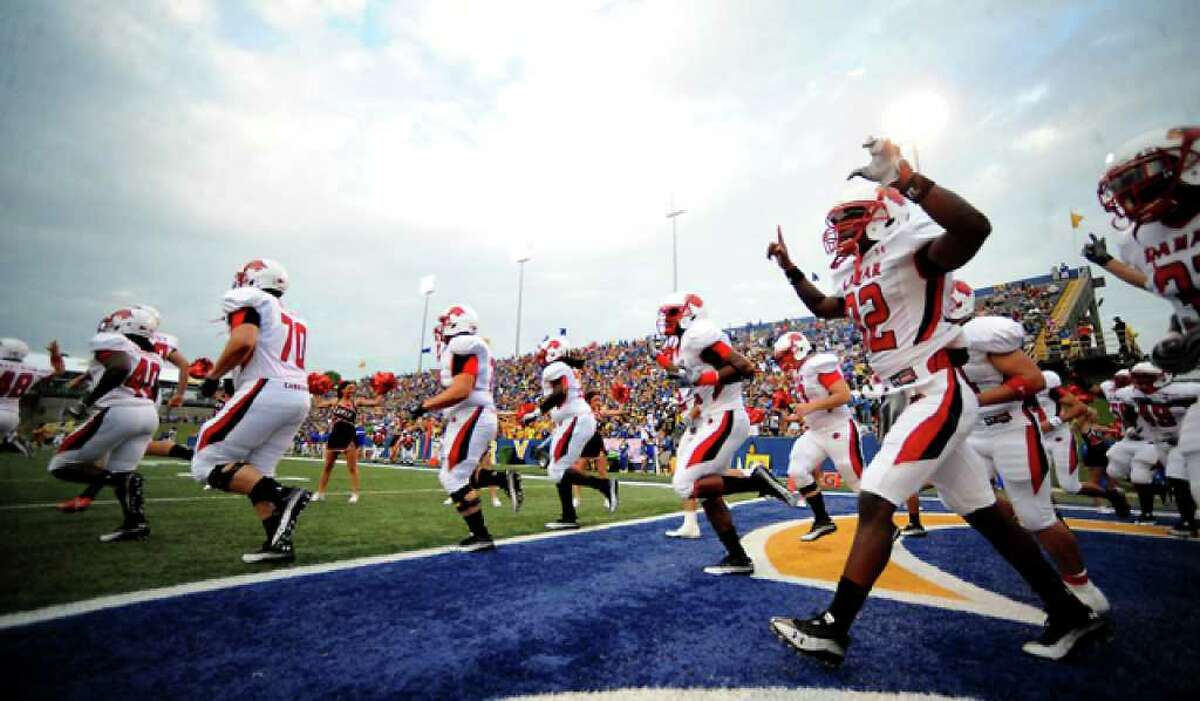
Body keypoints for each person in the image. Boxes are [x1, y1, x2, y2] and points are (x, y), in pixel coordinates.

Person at [768, 137, 1101, 665]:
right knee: (988, 516)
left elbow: (973, 229)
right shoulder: (861, 273)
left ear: (881, 219)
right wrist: (789, 270)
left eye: (854, 218)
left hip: (936, 390)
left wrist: (906, 179)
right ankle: (1069, 611)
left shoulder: (914, 253)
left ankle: (834, 628)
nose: (842, 232)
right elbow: (829, 306)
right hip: (916, 393)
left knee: (876, 500)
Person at [950, 283, 1109, 614]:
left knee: (1038, 517)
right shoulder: (928, 344)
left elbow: (1032, 380)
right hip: (971, 434)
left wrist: (971, 400)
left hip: (1010, 430)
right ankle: (1027, 535)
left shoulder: (981, 333)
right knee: (972, 501)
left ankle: (1082, 586)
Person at [1084, 125, 1200, 521]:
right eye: (1123, 185)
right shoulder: (1141, 237)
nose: (1130, 194)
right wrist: (1107, 264)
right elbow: (1161, 285)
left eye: (1141, 179)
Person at [656, 292, 796, 575]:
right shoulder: (689, 340)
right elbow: (692, 375)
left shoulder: (699, 335)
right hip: (714, 414)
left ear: (689, 312)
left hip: (724, 415)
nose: (665, 319)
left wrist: (704, 377)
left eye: (671, 313)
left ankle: (756, 480)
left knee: (684, 484)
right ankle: (737, 557)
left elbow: (745, 368)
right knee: (709, 492)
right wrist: (664, 362)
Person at [190, 259, 314, 564]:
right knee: (258, 473)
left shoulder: (251, 300)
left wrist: (213, 376)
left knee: (206, 460)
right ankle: (278, 540)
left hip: (267, 389)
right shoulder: (293, 316)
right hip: (298, 395)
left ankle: (284, 495)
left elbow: (243, 341)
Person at [410, 305, 522, 552]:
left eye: (446, 322)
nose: (441, 328)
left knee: (452, 477)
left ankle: (482, 535)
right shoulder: (463, 346)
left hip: (473, 414)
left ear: (456, 323)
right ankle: (501, 480)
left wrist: (424, 406)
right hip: (469, 414)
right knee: (456, 475)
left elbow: (462, 389)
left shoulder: (464, 346)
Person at [50, 307, 162, 542]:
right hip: (147, 412)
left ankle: (122, 482)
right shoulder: (152, 354)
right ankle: (135, 522)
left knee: (61, 464)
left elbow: (119, 367)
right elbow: (154, 388)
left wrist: (84, 403)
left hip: (119, 411)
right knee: (121, 470)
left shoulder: (114, 342)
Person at [773, 331, 865, 542]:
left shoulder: (818, 364)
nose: (783, 363)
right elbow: (813, 405)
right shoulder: (800, 372)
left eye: (785, 356)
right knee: (797, 471)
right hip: (816, 431)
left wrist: (809, 407)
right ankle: (823, 520)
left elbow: (843, 395)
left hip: (838, 428)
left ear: (797, 350)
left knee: (857, 480)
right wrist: (799, 415)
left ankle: (884, 525)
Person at [522, 337, 618, 529]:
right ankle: (569, 515)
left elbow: (561, 392)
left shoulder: (556, 368)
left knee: (556, 469)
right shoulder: (564, 367)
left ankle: (604, 487)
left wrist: (536, 413)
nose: (541, 356)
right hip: (572, 420)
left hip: (575, 420)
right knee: (558, 466)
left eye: (544, 351)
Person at [1109, 363, 1199, 533]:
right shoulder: (1130, 393)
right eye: (1139, 378)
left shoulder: (1183, 391)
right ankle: (1188, 520)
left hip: (1187, 440)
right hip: (1162, 442)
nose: (1143, 383)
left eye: (1148, 378)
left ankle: (1188, 522)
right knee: (1180, 480)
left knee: (1178, 477)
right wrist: (1130, 427)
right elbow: (1128, 410)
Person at [1035, 371, 1130, 516]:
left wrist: (1054, 422)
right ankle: (1052, 516)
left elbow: (1079, 407)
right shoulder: (1010, 387)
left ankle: (1113, 495)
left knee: (1070, 486)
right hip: (1036, 438)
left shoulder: (1045, 383)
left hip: (1058, 437)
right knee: (1038, 482)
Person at [313, 381, 381, 503]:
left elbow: (375, 402)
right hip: (335, 435)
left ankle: (355, 494)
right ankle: (320, 493)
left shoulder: (356, 402)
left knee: (352, 467)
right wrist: (315, 390)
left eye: (353, 389)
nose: (352, 391)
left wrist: (382, 390)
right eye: (349, 388)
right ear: (342, 390)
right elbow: (318, 404)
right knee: (328, 466)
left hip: (349, 435)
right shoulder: (335, 401)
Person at [0, 338, 65, 455]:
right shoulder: (34, 369)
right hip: (13, 417)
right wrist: (55, 353)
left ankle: (13, 441)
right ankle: (13, 441)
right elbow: (59, 370)